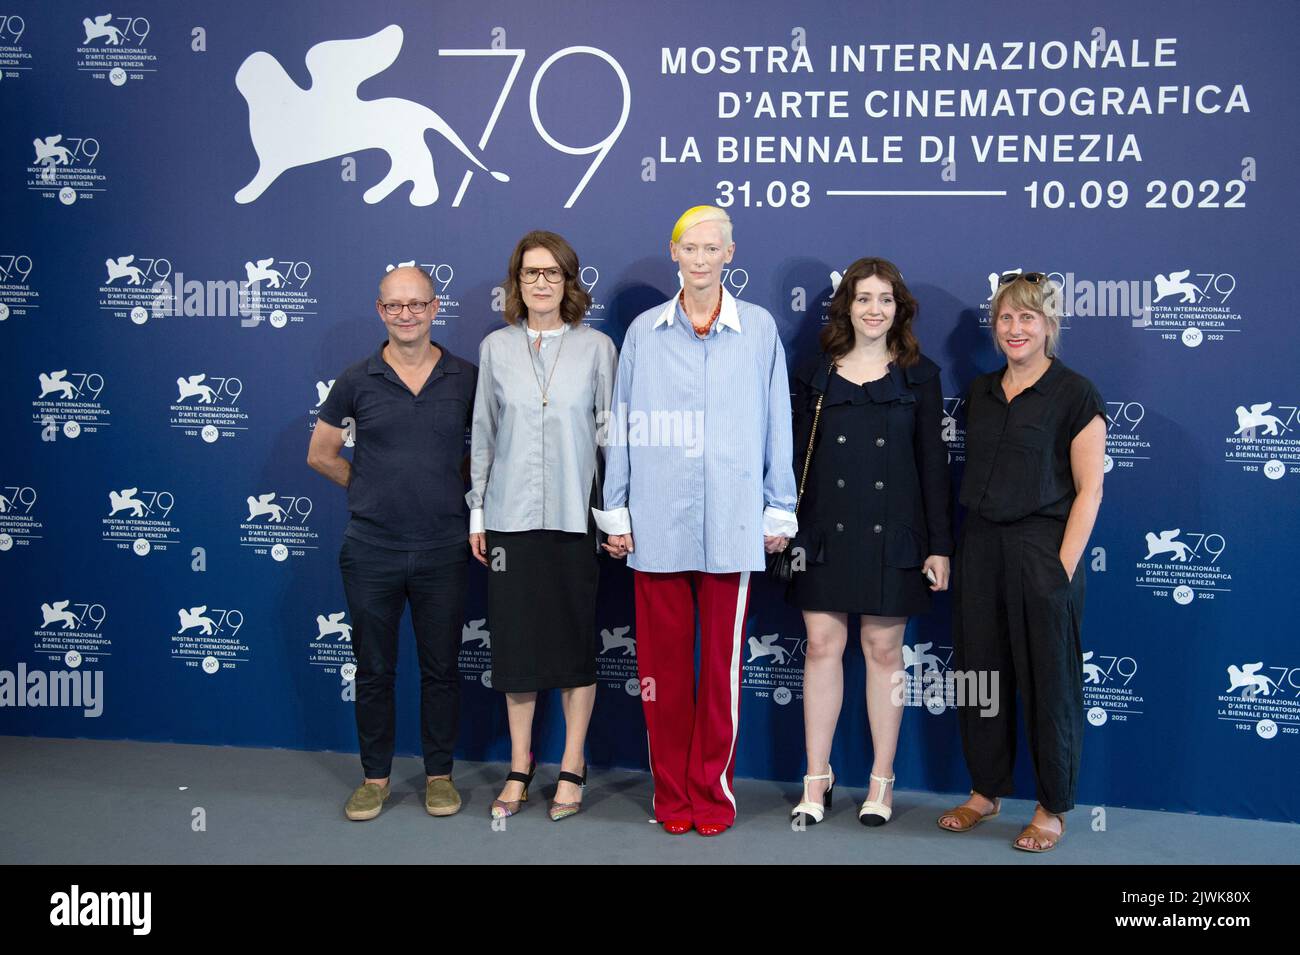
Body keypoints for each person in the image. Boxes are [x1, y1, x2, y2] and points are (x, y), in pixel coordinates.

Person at [596, 205, 798, 836]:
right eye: (692, 248)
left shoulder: (760, 330)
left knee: (720, 674)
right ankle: (672, 794)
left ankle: (712, 793)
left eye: (714, 248)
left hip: (734, 526)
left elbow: (777, 426)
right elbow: (620, 426)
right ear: (674, 252)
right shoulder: (643, 333)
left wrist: (779, 507)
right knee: (660, 672)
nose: (703, 258)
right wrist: (618, 511)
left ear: (730, 255)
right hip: (656, 523)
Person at [937, 271, 1105, 852]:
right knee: (981, 675)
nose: (1015, 328)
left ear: (1049, 326)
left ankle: (1052, 807)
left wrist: (1060, 567)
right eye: (1006, 317)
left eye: (1027, 317)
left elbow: (1090, 491)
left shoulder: (1076, 393)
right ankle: (986, 792)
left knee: (1049, 682)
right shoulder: (981, 392)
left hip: (1044, 549)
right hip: (980, 547)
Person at [787, 257, 952, 828]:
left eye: (885, 299)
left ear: (898, 309)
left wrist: (939, 545)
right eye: (863, 299)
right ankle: (816, 777)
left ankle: (881, 780)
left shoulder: (921, 377)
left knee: (884, 653)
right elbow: (788, 463)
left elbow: (934, 465)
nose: (874, 310)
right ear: (846, 307)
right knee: (821, 648)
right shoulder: (815, 374)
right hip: (823, 531)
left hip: (896, 534)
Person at [307, 266, 477, 821]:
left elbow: (491, 451)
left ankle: (439, 777)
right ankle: (375, 779)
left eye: (417, 304)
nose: (406, 314)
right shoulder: (356, 379)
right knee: (374, 668)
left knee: (441, 669)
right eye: (395, 305)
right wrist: (370, 488)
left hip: (444, 547)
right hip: (371, 549)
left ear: (434, 308)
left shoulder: (466, 377)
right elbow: (321, 453)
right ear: (380, 311)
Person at [467, 231, 617, 821]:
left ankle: (572, 766)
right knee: (517, 649)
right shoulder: (495, 348)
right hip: (509, 520)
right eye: (530, 273)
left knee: (576, 645)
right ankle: (520, 766)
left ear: (569, 282)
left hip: (576, 521)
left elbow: (612, 439)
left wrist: (615, 515)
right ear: (516, 282)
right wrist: (478, 511)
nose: (541, 283)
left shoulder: (598, 348)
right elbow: (483, 432)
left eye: (552, 273)